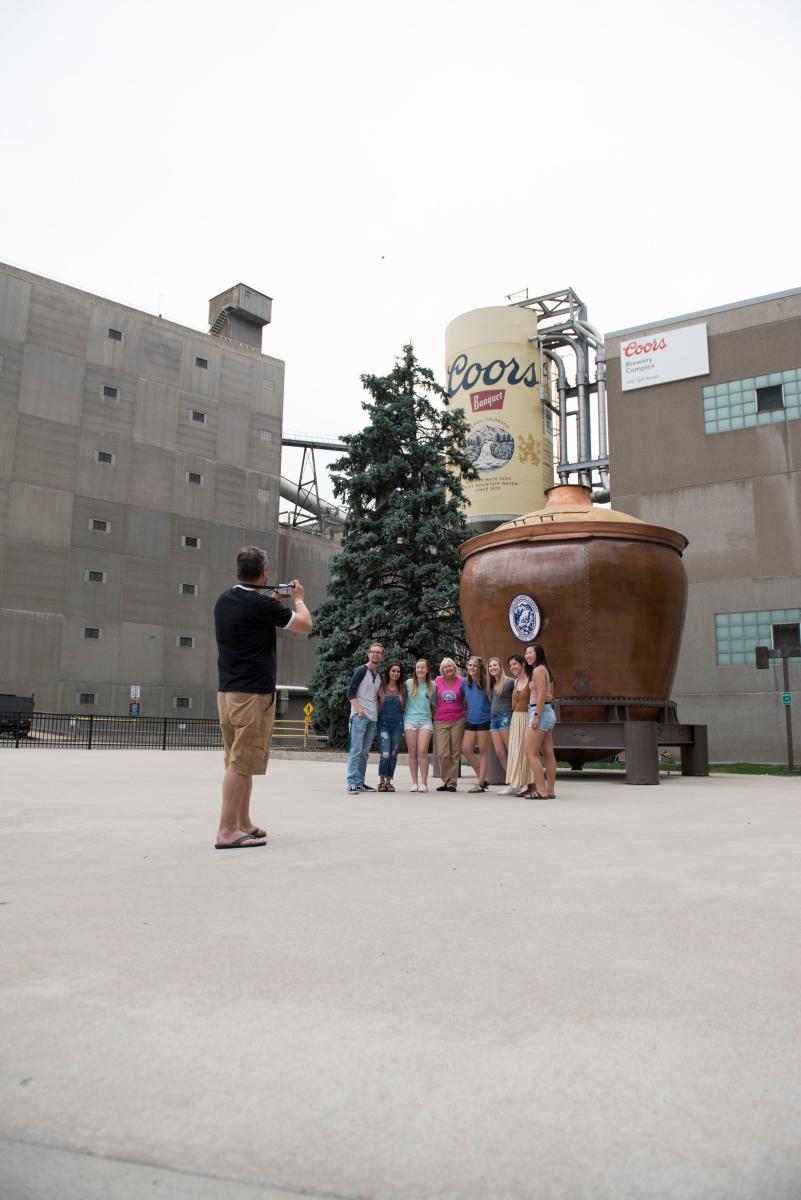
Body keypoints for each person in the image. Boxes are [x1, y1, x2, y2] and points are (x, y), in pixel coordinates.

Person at [213, 546, 312, 849]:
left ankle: (243, 822)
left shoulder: (225, 599)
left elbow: (252, 612)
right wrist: (298, 599)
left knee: (240, 759)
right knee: (241, 764)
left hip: (227, 692)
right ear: (264, 572)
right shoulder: (259, 605)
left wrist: (272, 601)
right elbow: (305, 624)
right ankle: (227, 830)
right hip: (252, 694)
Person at [346, 643, 384, 793]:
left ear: (382, 656)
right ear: (368, 654)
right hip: (360, 716)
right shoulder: (361, 671)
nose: (375, 654)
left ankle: (360, 782)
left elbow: (378, 697)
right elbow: (351, 694)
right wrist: (360, 710)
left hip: (372, 718)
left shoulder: (380, 676)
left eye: (378, 653)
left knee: (364, 752)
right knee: (356, 750)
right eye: (373, 652)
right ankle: (351, 782)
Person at [524, 642, 558, 799]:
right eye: (526, 653)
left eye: (530, 652)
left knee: (530, 753)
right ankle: (550, 791)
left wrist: (536, 716)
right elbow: (549, 694)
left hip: (540, 712)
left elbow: (542, 694)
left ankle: (542, 790)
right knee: (548, 753)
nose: (527, 656)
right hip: (548, 711)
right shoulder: (546, 670)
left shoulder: (538, 670)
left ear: (538, 653)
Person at [433, 657, 466, 792]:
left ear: (454, 668)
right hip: (441, 720)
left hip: (458, 719)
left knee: (455, 752)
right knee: (442, 753)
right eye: (446, 667)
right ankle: (445, 780)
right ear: (442, 670)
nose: (448, 669)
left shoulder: (462, 681)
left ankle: (452, 783)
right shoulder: (437, 681)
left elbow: (466, 697)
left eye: (450, 666)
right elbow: (430, 697)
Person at [505, 653, 535, 796]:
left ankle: (527, 783)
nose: (512, 667)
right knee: (515, 751)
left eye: (515, 664)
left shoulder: (531, 680)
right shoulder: (516, 682)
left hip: (526, 717)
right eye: (510, 665)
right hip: (516, 718)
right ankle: (514, 783)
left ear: (522, 664)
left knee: (525, 750)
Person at [462, 655, 492, 792]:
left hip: (485, 720)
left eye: (475, 665)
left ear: (480, 668)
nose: (472, 668)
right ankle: (483, 778)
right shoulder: (465, 683)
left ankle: (480, 783)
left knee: (484, 751)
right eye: (470, 665)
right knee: (466, 749)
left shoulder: (487, 682)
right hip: (471, 720)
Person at [404, 658, 435, 792]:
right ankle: (414, 782)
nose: (420, 670)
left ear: (427, 670)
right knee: (412, 753)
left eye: (422, 668)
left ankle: (424, 783)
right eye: (417, 667)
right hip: (410, 720)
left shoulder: (433, 685)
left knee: (422, 751)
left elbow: (436, 704)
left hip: (425, 720)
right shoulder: (409, 683)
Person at [488, 656, 516, 794]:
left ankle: (519, 780)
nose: (493, 668)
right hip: (493, 720)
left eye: (495, 665)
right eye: (490, 666)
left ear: (500, 667)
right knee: (500, 753)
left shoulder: (510, 681)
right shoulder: (492, 684)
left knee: (511, 751)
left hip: (506, 717)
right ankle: (511, 783)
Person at [377, 662, 406, 792]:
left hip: (397, 724)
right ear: (389, 672)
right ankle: (381, 781)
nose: (395, 673)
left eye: (398, 672)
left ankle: (389, 781)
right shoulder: (381, 688)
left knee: (393, 754)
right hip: (383, 724)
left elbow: (405, 707)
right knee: (385, 754)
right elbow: (375, 705)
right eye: (393, 671)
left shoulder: (403, 689)